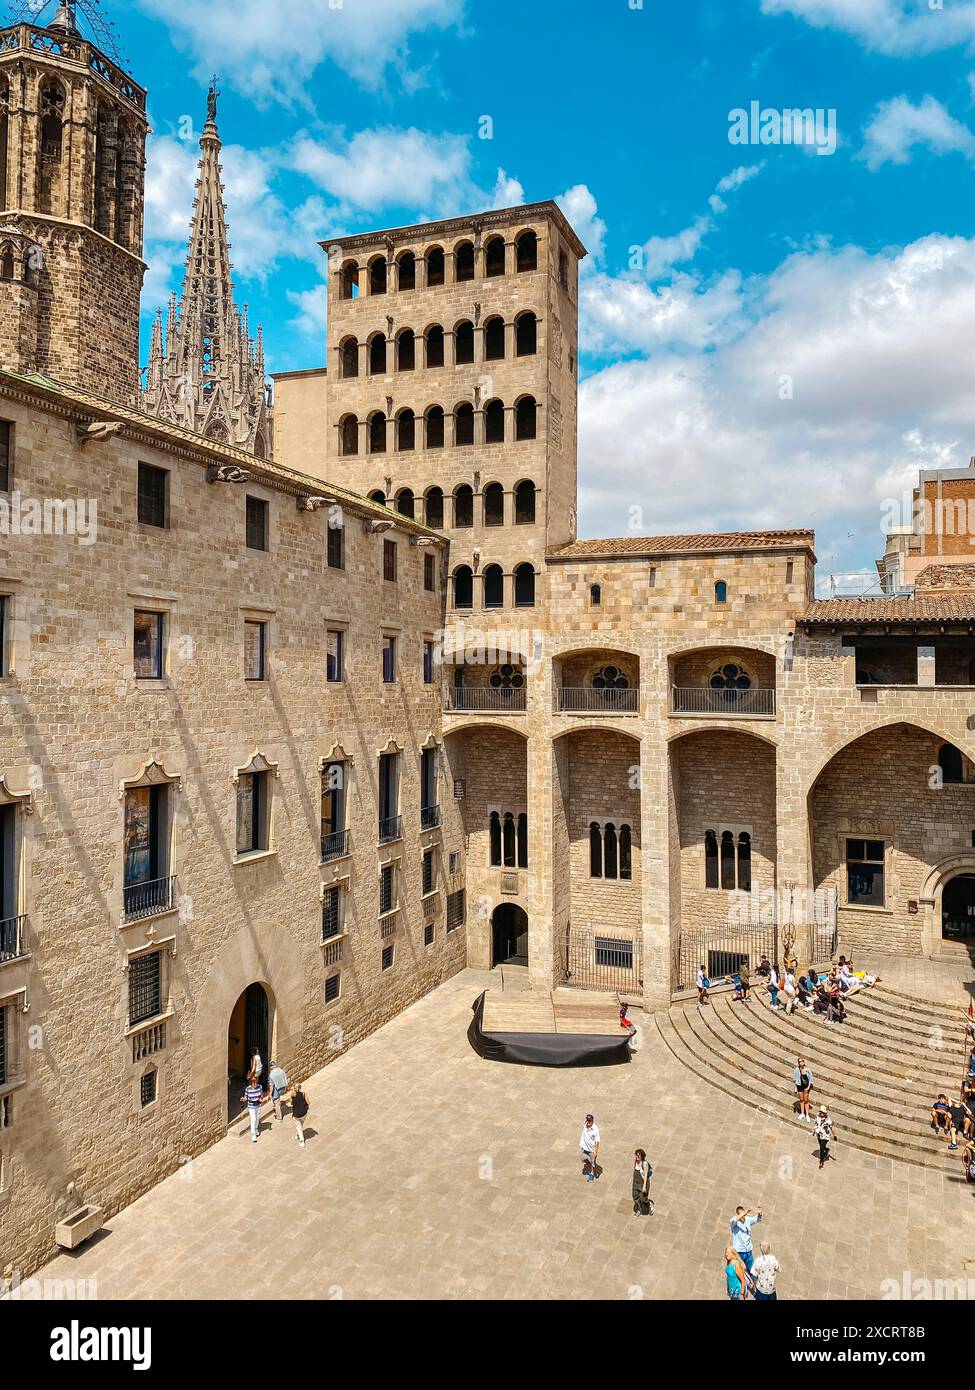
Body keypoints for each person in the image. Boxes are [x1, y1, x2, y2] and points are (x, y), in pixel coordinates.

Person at [729, 1204, 762, 1275]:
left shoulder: (747, 1220)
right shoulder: (734, 1223)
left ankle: (751, 1284)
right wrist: (745, 1212)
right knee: (739, 1272)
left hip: (748, 1251)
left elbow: (757, 1219)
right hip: (739, 1252)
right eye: (742, 1215)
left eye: (744, 1214)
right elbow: (734, 1220)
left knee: (751, 1271)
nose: (744, 1216)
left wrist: (759, 1213)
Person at [241, 1074, 266, 1143]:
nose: (255, 1085)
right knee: (253, 1119)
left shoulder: (260, 1087)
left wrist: (261, 1099)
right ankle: (253, 1134)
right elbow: (246, 1097)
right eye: (253, 1083)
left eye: (256, 1083)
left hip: (258, 1105)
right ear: (251, 1083)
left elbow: (261, 1096)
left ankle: (256, 1128)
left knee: (257, 1118)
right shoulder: (248, 1089)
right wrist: (243, 1099)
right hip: (251, 1106)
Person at [580, 1113, 601, 1181]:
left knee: (592, 1162)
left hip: (592, 1149)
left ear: (592, 1121)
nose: (588, 1122)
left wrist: (596, 1151)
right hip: (585, 1148)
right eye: (587, 1120)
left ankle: (591, 1174)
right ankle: (591, 1166)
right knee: (582, 1158)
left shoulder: (595, 1129)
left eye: (589, 1121)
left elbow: (597, 1140)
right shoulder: (585, 1125)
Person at [632, 1148, 652, 1216]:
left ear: (642, 1156)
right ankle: (639, 1210)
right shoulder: (636, 1161)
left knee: (643, 1199)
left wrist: (644, 1186)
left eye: (638, 1156)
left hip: (643, 1183)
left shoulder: (644, 1164)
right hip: (635, 1183)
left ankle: (649, 1205)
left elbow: (646, 1175)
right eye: (636, 1155)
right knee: (635, 1197)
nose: (636, 1157)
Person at [291, 1082, 309, 1146]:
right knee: (300, 1125)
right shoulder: (304, 1094)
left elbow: (292, 1104)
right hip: (304, 1113)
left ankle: (302, 1141)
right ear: (300, 1087)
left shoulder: (292, 1095)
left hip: (296, 1115)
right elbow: (308, 1103)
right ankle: (298, 1134)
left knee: (299, 1127)